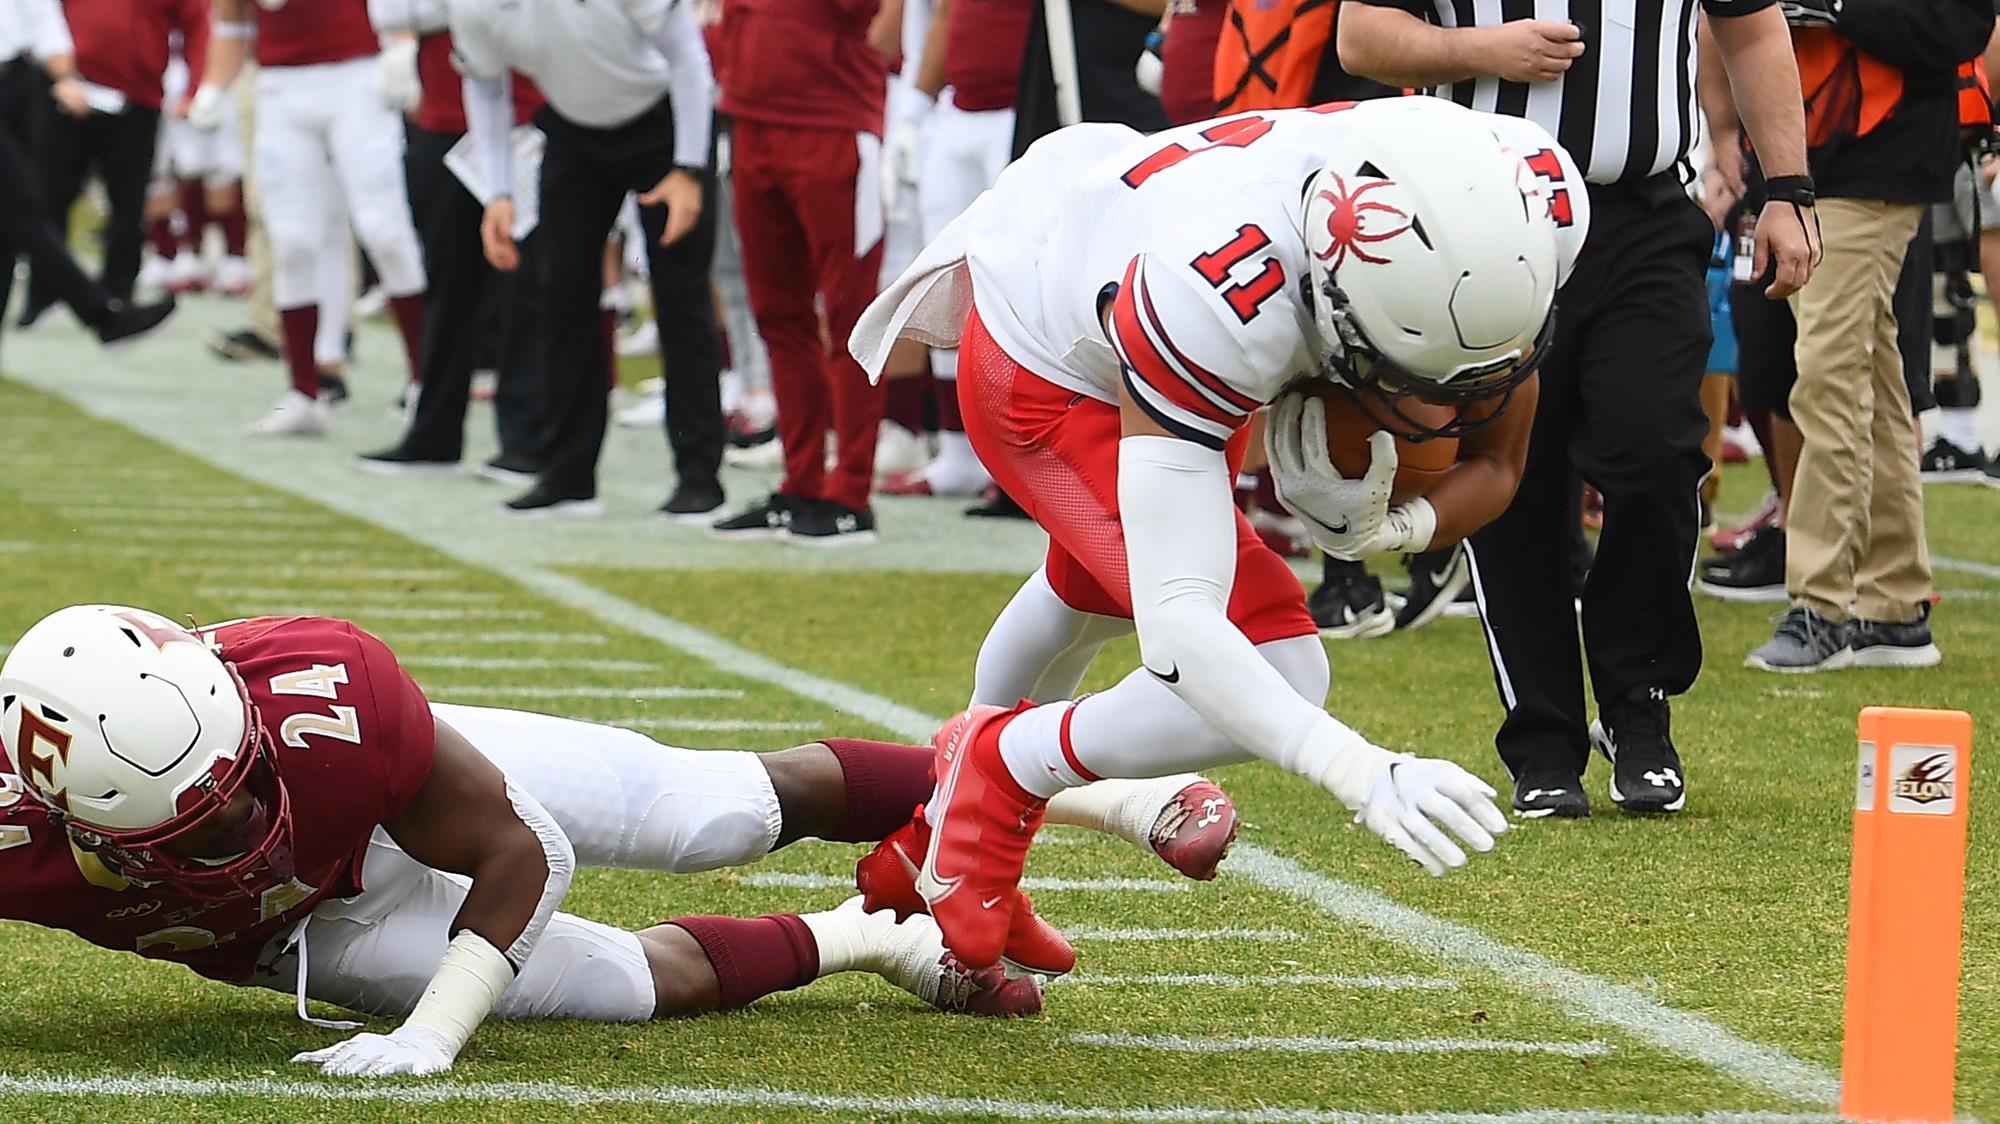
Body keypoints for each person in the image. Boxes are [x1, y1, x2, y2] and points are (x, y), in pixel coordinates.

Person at [850, 97, 1574, 970]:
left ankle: (936, 838)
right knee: (1281, 663)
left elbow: (1499, 453)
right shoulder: (1215, 302)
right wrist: (1355, 767)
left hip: (1131, 259)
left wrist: (1397, 527)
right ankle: (997, 767)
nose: (1439, 408)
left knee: (1089, 594)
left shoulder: (1518, 192)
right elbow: (1181, 628)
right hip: (1046, 357)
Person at [0, 605, 1241, 1075]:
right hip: (304, 930)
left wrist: (435, 1031)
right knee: (630, 986)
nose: (242, 821)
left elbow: (523, 849)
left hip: (408, 797)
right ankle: (868, 935)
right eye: (201, 822)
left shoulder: (323, 697)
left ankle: (1098, 786)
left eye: (238, 786)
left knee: (704, 808)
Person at [1338, 0, 1816, 819]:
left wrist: (1790, 189)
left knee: (1658, 450)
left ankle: (1639, 705)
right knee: (1514, 479)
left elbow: (1754, 28)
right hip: (1481, 217)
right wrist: (1483, 49)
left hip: (1644, 213)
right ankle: (1543, 738)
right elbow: (1360, 36)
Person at [1733, 0, 1991, 673]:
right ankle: (1895, 604)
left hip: (1877, 152)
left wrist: (1841, 7)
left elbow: (1964, 24)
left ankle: (1821, 603)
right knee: (1868, 379)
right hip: (1808, 157)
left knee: (1829, 377)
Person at [454, 0, 728, 521]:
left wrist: (690, 167)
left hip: (664, 121)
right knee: (562, 299)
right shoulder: (472, 7)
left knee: (680, 297)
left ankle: (700, 479)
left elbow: (687, 57)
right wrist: (497, 192)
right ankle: (568, 476)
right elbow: (486, 86)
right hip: (573, 131)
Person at [190, 0, 429, 438]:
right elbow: (232, 23)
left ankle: (424, 381)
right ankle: (305, 390)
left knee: (385, 231)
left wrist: (403, 47)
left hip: (359, 76)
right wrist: (211, 88)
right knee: (293, 241)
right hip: (280, 86)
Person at [707, 0, 891, 545]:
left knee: (852, 316)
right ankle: (802, 480)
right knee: (778, 314)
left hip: (832, 119)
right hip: (753, 117)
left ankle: (851, 492)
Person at [356, 0, 553, 482]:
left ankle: (527, 440)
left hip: (523, 115)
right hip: (441, 116)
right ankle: (435, 432)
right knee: (445, 283)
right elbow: (390, 15)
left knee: (522, 286)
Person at [0, 0, 176, 360]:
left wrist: (64, 75)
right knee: (23, 209)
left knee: (12, 220)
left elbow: (40, 14)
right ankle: (100, 315)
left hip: (19, 79)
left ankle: (101, 315)